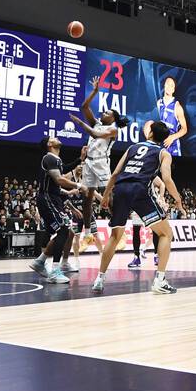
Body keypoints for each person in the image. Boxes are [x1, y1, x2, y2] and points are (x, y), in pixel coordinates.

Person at [94, 120, 187, 295]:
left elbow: (115, 174)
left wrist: (106, 196)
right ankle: (160, 280)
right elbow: (167, 179)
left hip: (120, 189)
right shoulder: (164, 153)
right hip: (139, 190)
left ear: (151, 132)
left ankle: (99, 279)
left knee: (114, 237)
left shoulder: (132, 148)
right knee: (166, 233)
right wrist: (178, 200)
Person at [70, 70, 125, 271]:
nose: (103, 113)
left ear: (114, 118)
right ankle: (87, 232)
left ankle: (119, 228)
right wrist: (94, 92)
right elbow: (84, 106)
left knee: (108, 199)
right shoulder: (99, 122)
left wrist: (80, 123)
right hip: (90, 163)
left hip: (102, 163)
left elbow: (93, 132)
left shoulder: (113, 130)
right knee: (86, 197)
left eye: (108, 113)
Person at [28, 137, 80, 284]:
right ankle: (55, 271)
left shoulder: (56, 160)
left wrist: (79, 159)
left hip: (53, 199)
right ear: (50, 144)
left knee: (66, 232)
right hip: (47, 199)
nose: (57, 138)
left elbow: (63, 170)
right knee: (63, 231)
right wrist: (79, 185)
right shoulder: (49, 158)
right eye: (53, 138)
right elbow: (59, 179)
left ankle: (40, 261)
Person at [155, 75, 188, 157]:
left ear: (173, 89)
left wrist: (172, 137)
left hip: (173, 147)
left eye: (171, 85)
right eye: (167, 84)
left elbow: (184, 129)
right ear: (164, 85)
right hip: (160, 145)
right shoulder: (158, 103)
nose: (169, 87)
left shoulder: (177, 106)